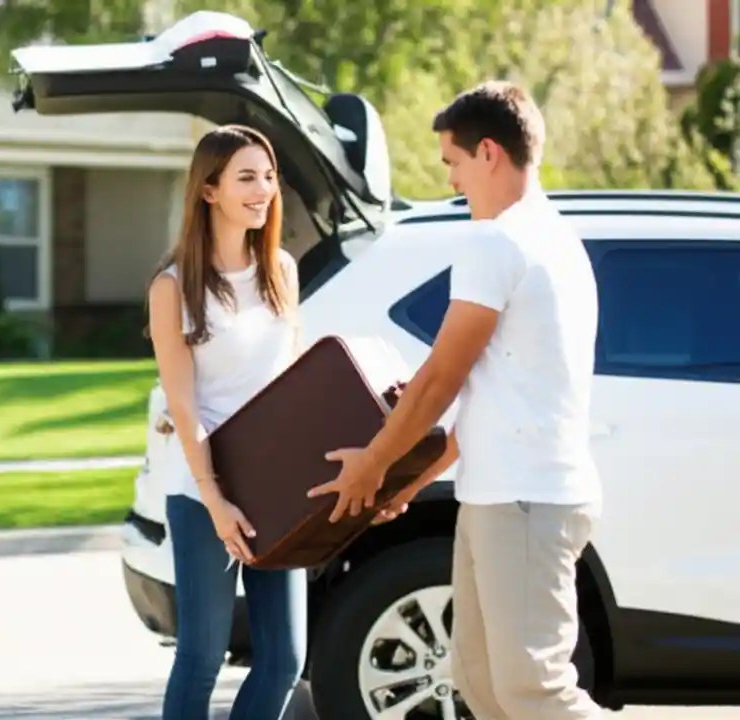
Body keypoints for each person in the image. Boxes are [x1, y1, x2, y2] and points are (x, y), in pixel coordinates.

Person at [309, 81, 604, 719]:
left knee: (533, 691)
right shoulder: (557, 241)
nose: (452, 181)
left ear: (490, 153)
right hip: (502, 494)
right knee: (483, 688)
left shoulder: (496, 243)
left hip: (525, 499)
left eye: (454, 162)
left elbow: (441, 376)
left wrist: (375, 463)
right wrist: (413, 480)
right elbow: (489, 398)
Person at [147, 124, 304, 720]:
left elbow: (290, 384)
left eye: (267, 176)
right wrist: (215, 501)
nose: (263, 189)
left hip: (276, 490)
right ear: (208, 190)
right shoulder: (173, 288)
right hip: (202, 490)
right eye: (246, 177)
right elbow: (183, 405)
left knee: (285, 657)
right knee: (203, 655)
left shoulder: (281, 271)